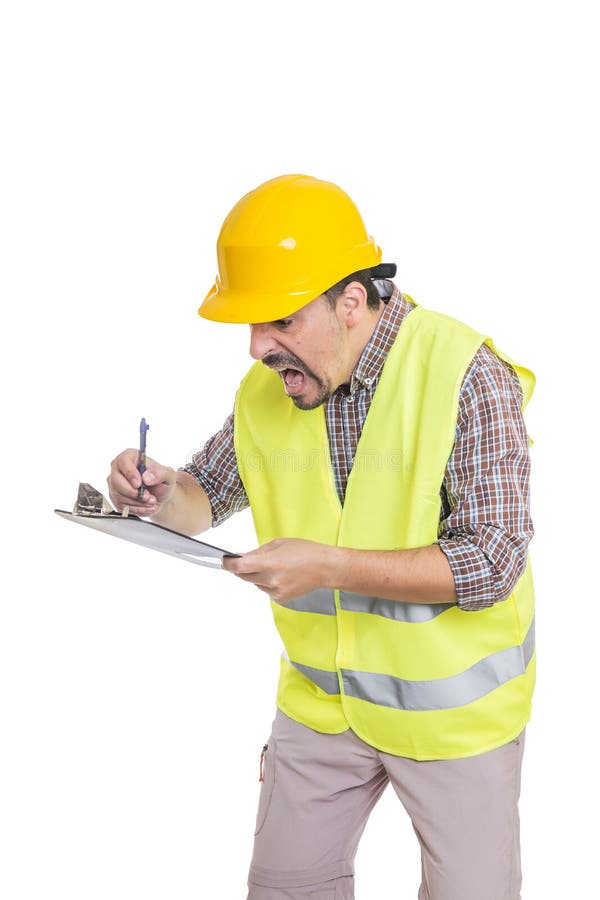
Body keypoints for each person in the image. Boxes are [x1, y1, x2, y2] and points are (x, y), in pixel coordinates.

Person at [108, 174, 535, 900]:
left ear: (352, 301)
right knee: (284, 889)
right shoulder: (272, 387)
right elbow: (203, 496)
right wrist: (156, 493)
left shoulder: (466, 376)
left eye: (279, 321)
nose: (256, 348)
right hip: (319, 706)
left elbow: (492, 561)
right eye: (250, 325)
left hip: (452, 724)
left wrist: (329, 566)